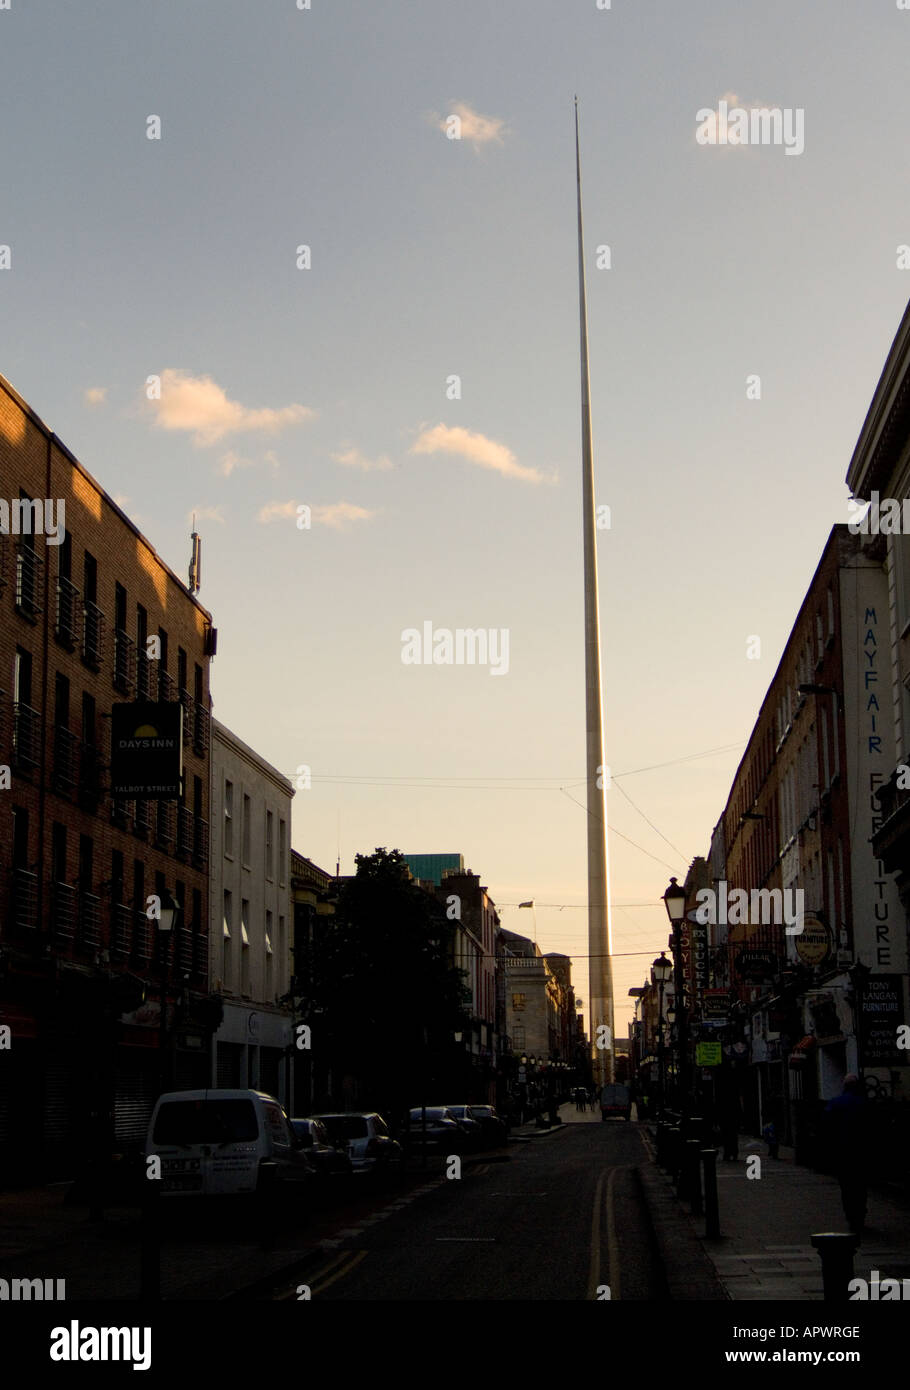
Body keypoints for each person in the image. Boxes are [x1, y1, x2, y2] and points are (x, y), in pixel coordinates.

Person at [825, 1074, 868, 1235]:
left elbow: (826, 1127)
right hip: (861, 1151)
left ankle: (851, 1215)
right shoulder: (864, 1103)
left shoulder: (835, 1103)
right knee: (861, 1185)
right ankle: (860, 1213)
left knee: (847, 1186)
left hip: (842, 1152)